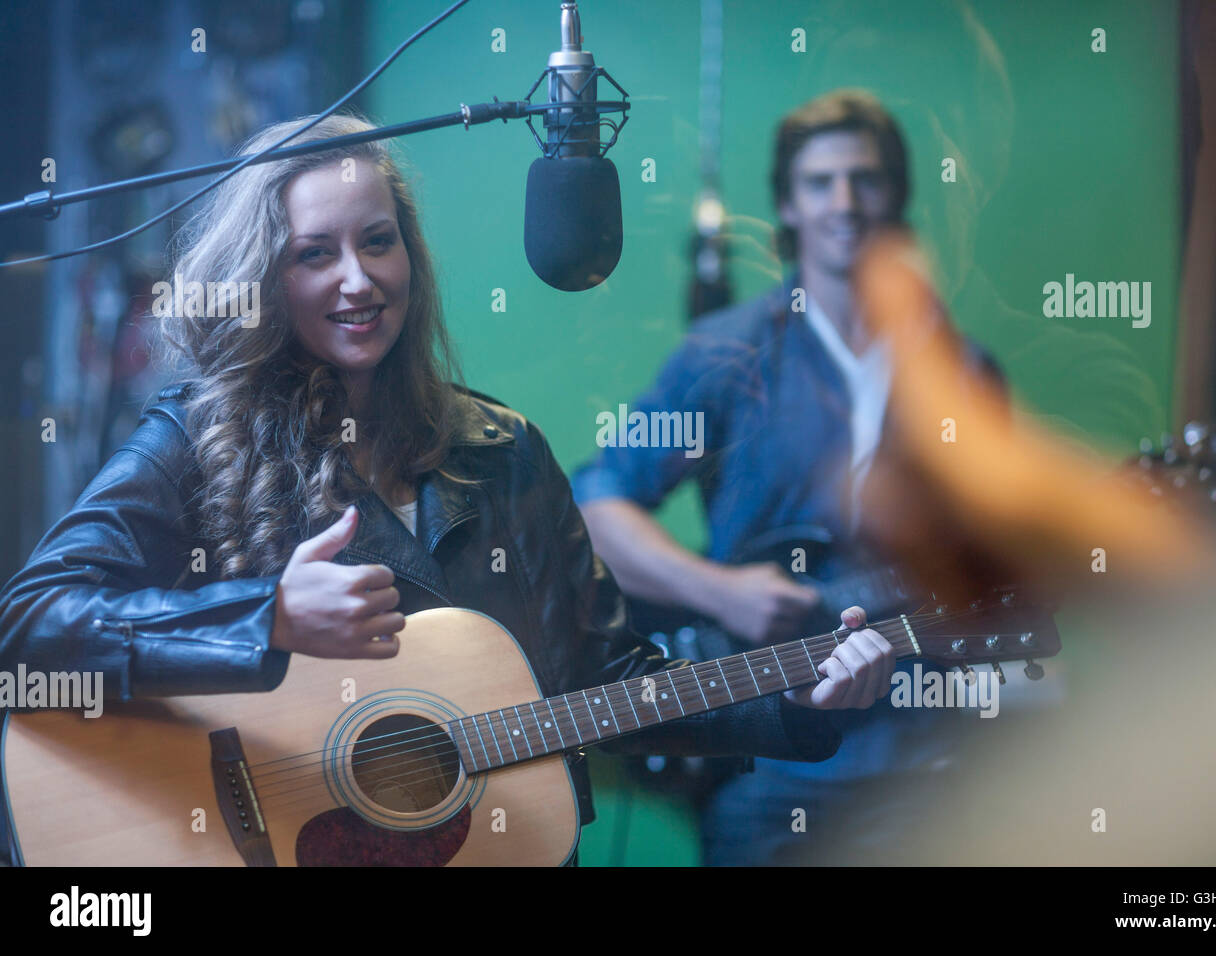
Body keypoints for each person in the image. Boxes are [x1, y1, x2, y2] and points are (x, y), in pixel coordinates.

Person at [0, 112, 897, 868]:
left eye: (378, 240)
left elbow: (611, 682)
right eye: (316, 252)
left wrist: (796, 702)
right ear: (266, 278)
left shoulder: (504, 452)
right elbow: (27, 629)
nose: (360, 279)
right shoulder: (191, 442)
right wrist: (264, 618)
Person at [573, 90, 1002, 865]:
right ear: (787, 204)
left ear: (896, 195)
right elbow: (598, 504)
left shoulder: (961, 372)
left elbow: (988, 564)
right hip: (763, 754)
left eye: (865, 179)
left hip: (922, 752)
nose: (844, 202)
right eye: (820, 182)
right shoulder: (723, 356)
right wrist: (718, 590)